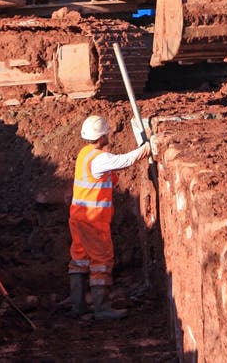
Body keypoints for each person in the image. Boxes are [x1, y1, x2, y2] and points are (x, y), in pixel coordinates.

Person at [68, 114, 150, 320]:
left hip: (78, 216)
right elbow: (125, 160)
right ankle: (102, 308)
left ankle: (78, 306)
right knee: (101, 261)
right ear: (102, 136)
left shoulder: (84, 153)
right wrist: (147, 148)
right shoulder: (99, 158)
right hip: (94, 220)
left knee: (79, 258)